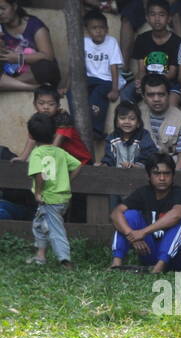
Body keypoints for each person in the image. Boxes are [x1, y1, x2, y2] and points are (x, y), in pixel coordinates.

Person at [109, 151, 181, 271]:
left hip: (178, 258)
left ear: (173, 175)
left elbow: (177, 214)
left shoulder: (180, 193)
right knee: (128, 215)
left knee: (179, 223)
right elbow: (115, 213)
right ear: (149, 175)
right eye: (156, 173)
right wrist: (131, 234)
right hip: (149, 252)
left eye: (167, 173)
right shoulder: (143, 193)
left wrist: (142, 232)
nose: (162, 178)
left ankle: (158, 269)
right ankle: (116, 263)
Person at [25, 113, 81, 265]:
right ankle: (40, 255)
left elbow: (39, 176)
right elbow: (77, 165)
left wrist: (37, 193)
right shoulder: (59, 152)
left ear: (30, 134)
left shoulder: (37, 153)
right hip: (61, 199)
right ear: (54, 133)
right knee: (39, 225)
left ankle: (65, 260)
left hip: (48, 199)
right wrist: (67, 180)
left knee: (55, 229)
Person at [122, 0, 181, 106]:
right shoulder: (142, 39)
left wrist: (152, 83)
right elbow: (141, 70)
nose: (157, 19)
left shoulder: (176, 42)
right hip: (147, 80)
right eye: (153, 14)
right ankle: (133, 118)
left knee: (169, 95)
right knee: (126, 93)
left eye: (161, 15)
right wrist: (140, 81)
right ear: (147, 18)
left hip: (168, 81)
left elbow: (172, 73)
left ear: (169, 18)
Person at [14, 86, 92, 167]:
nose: (46, 107)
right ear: (34, 104)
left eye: (51, 104)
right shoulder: (37, 119)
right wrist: (22, 158)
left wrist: (43, 161)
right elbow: (32, 138)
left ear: (58, 105)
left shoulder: (63, 119)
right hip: (59, 161)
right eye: (41, 103)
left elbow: (55, 146)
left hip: (80, 162)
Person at [0, 0, 59, 92]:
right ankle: (35, 88)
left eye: (3, 8)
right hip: (10, 73)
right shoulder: (1, 28)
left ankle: (8, 85)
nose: (0, 13)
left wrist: (18, 58)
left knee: (46, 67)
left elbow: (48, 56)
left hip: (34, 73)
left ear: (14, 6)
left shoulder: (34, 24)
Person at [84, 10, 125, 138]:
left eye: (101, 27)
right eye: (94, 28)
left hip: (107, 80)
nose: (98, 31)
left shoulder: (111, 42)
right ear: (87, 30)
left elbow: (114, 67)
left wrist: (114, 89)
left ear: (107, 29)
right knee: (75, 92)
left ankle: (97, 130)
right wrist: (67, 85)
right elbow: (75, 65)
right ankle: (78, 127)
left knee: (98, 94)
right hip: (90, 78)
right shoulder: (83, 42)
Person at [139, 71, 181, 157]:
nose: (156, 99)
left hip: (171, 167)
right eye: (151, 95)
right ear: (143, 97)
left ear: (168, 95)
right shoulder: (135, 116)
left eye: (161, 94)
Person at [100, 101, 159, 168]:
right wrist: (104, 165)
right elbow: (109, 158)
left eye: (132, 119)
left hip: (140, 173)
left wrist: (138, 165)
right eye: (122, 118)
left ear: (138, 123)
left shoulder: (144, 136)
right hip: (116, 175)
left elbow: (149, 153)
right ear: (116, 123)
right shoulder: (111, 138)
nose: (127, 122)